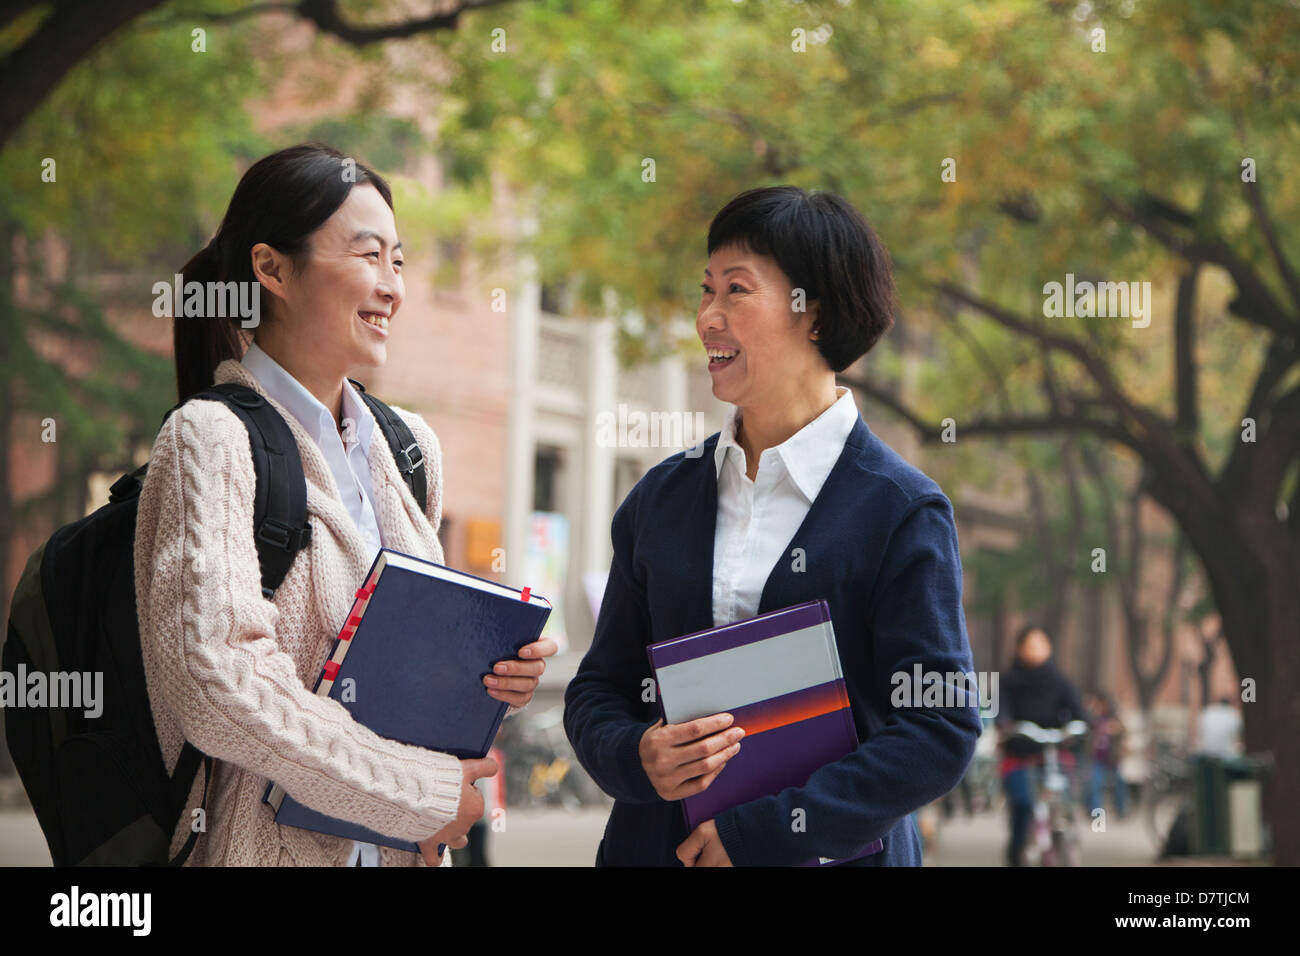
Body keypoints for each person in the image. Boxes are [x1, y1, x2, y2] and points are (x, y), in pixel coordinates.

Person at [134, 143, 557, 866]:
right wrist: (416, 792)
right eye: (367, 256)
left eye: (398, 261)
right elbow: (219, 684)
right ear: (270, 269)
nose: (392, 286)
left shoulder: (409, 448)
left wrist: (483, 673)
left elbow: (397, 666)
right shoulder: (211, 439)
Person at [563, 185, 982, 866]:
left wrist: (769, 830)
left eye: (736, 291)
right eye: (706, 291)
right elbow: (598, 690)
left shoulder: (901, 512)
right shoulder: (659, 500)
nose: (707, 318)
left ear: (811, 311)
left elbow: (938, 726)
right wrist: (637, 753)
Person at [995, 625, 1089, 866]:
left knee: (1066, 804)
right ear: (1019, 649)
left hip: (1054, 756)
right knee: (1024, 805)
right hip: (1019, 756)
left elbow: (1080, 712)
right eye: (1030, 644)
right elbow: (1001, 712)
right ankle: (1016, 854)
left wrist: (1080, 726)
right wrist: (1006, 725)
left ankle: (1066, 844)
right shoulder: (1008, 681)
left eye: (1041, 644)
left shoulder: (1061, 681)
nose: (1035, 649)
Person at [1084, 691, 1128, 820]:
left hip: (1111, 758)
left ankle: (1121, 810)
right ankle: (1096, 815)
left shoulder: (1113, 717)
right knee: (1095, 785)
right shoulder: (1093, 717)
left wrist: (1114, 729)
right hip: (1097, 758)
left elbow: (1123, 730)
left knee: (1118, 785)